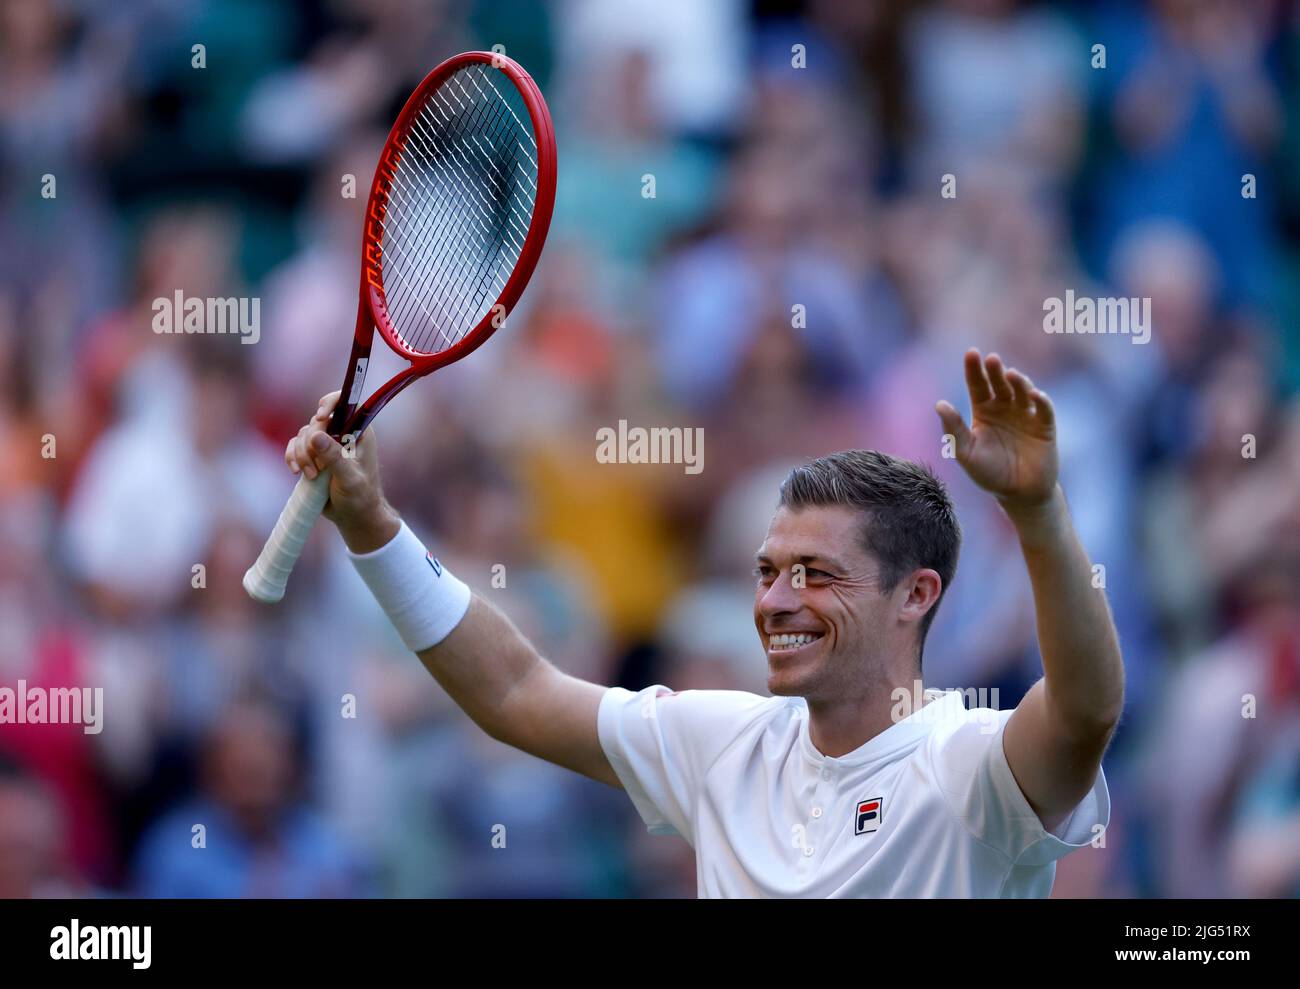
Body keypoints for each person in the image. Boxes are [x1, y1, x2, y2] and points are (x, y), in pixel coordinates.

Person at [281, 348, 1122, 897]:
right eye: (767, 573)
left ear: (916, 595)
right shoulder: (722, 739)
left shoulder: (968, 760)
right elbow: (513, 688)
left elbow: (1086, 710)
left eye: (816, 575)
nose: (778, 600)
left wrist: (1038, 513)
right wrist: (373, 525)